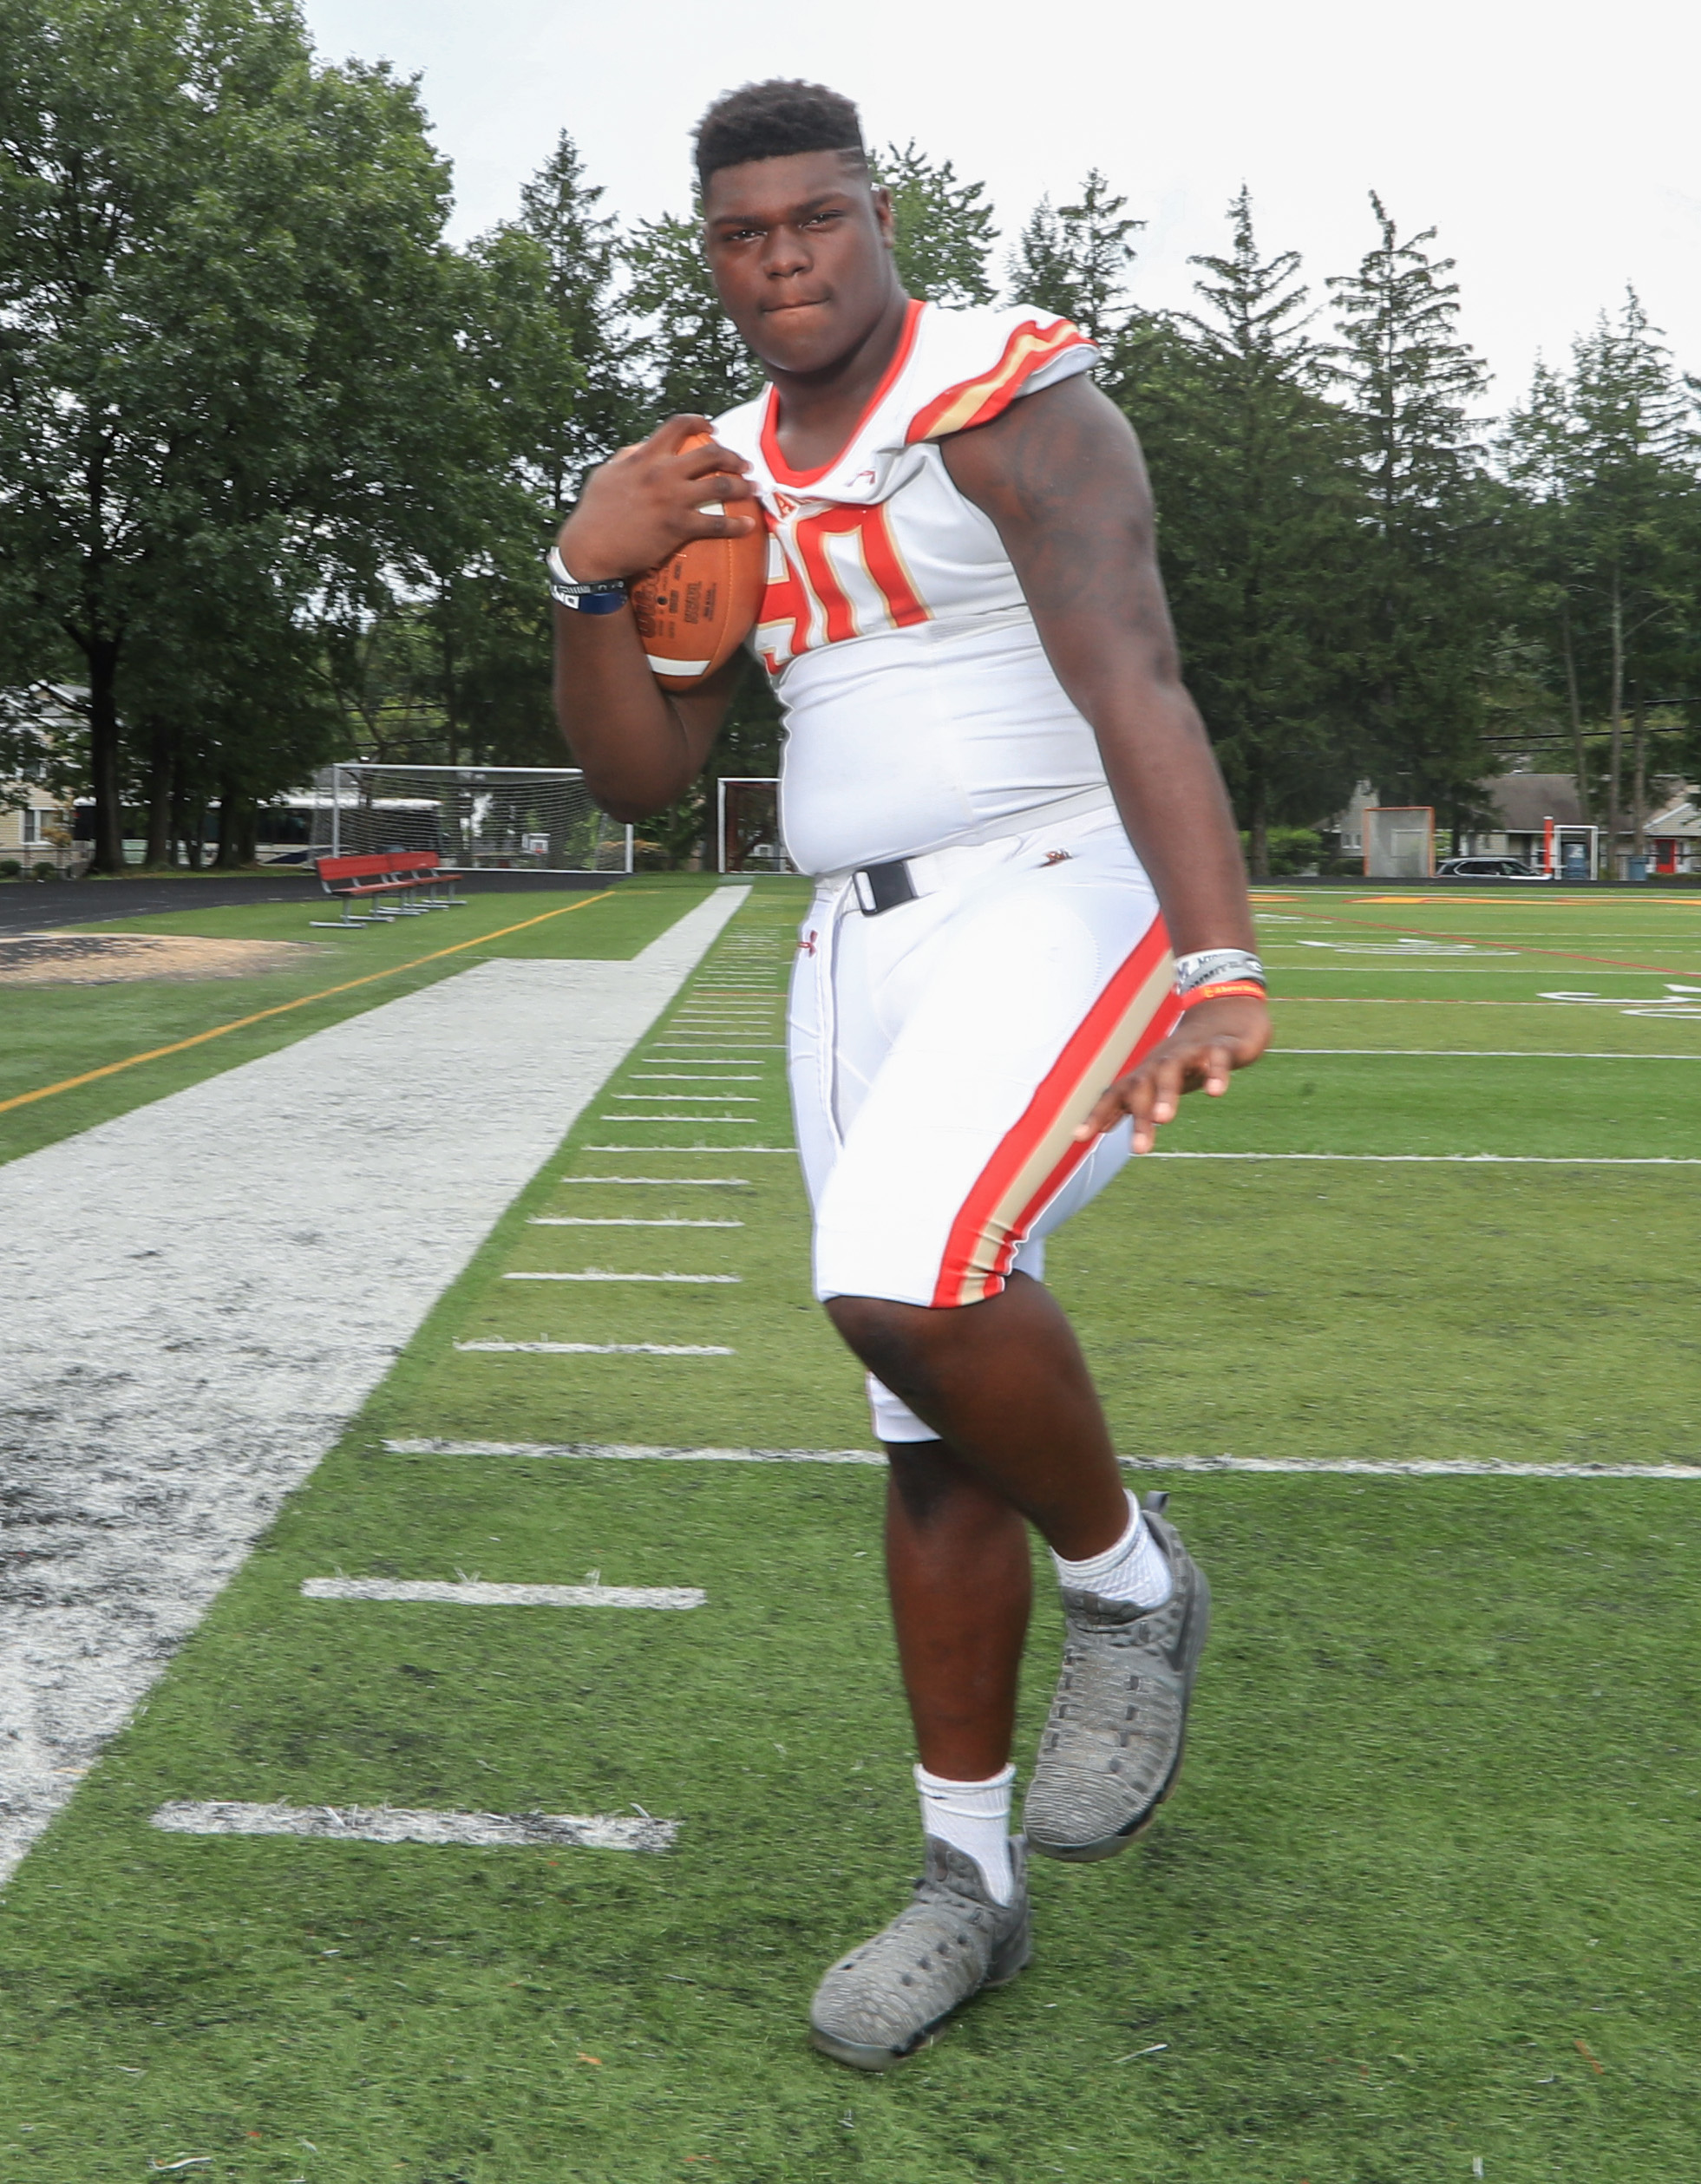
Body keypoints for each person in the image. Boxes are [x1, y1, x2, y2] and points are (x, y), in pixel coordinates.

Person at [549, 79, 1269, 2072]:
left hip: (1054, 881)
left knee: (904, 1268)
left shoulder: (1011, 391)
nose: (781, 258)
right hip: (852, 942)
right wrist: (586, 580)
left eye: (816, 219)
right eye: (740, 233)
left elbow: (1137, 669)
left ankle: (1130, 1585)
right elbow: (636, 777)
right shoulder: (708, 475)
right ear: (709, 251)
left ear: (881, 217)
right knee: (920, 1424)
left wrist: (1216, 952)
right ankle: (971, 1877)